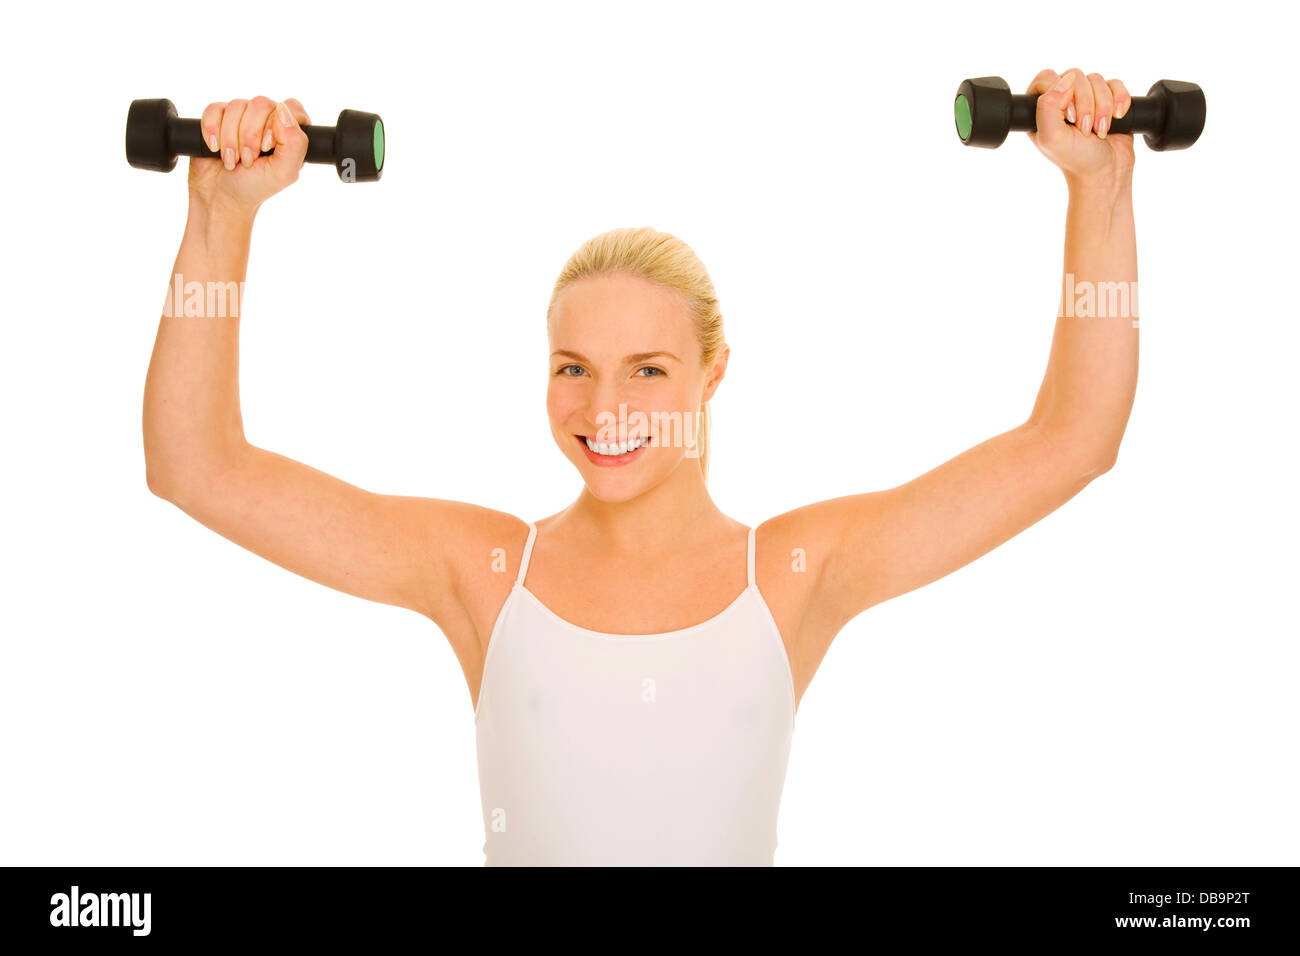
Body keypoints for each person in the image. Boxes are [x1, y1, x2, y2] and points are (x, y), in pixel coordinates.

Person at [143, 68, 1138, 866]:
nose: (604, 408)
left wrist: (1100, 186)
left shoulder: (794, 574)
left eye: (647, 370)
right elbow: (194, 465)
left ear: (714, 375)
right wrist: (221, 218)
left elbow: (1073, 438)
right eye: (573, 367)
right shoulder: (484, 571)